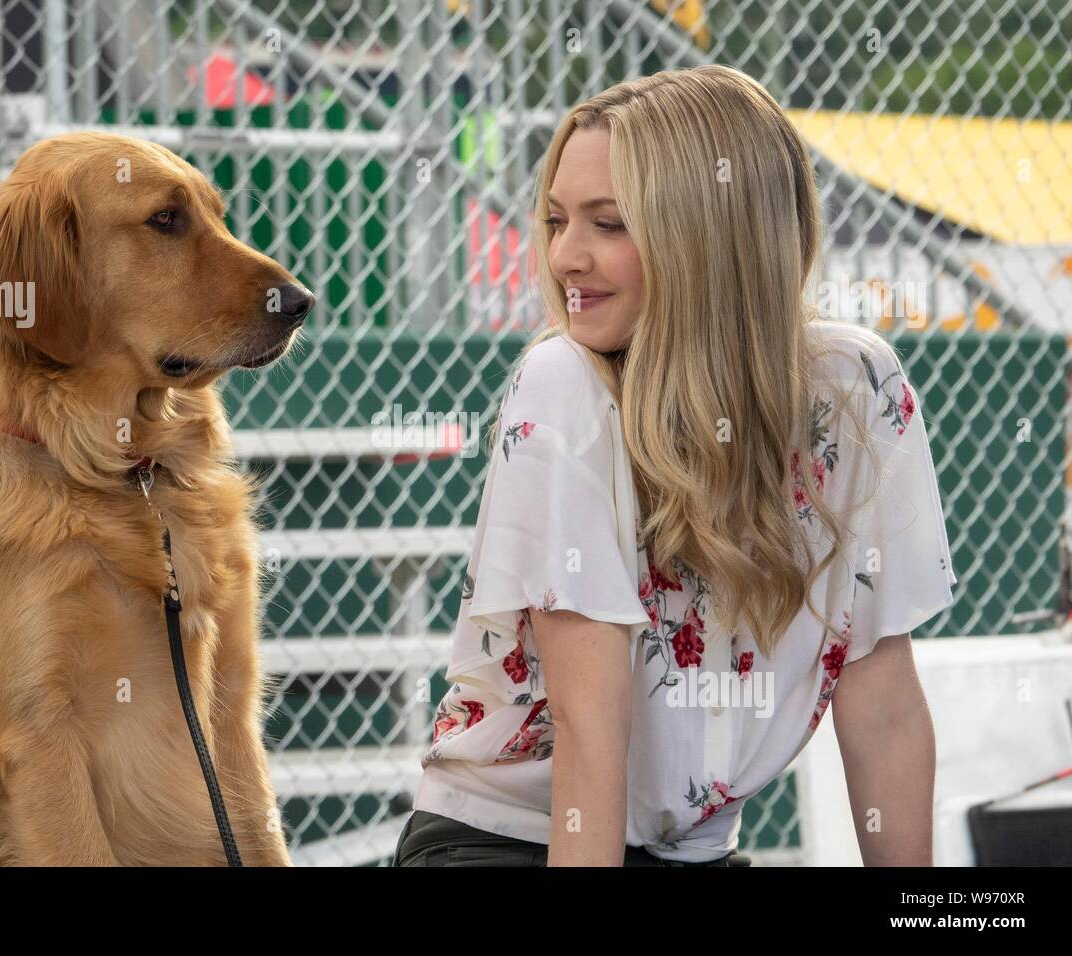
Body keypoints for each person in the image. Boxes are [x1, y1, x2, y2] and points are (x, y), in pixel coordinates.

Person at [393, 64, 957, 867]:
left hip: (695, 851)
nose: (565, 258)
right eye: (557, 220)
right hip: (520, 842)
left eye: (609, 224)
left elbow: (883, 701)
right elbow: (593, 741)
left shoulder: (855, 387)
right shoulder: (561, 388)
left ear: (713, 237)